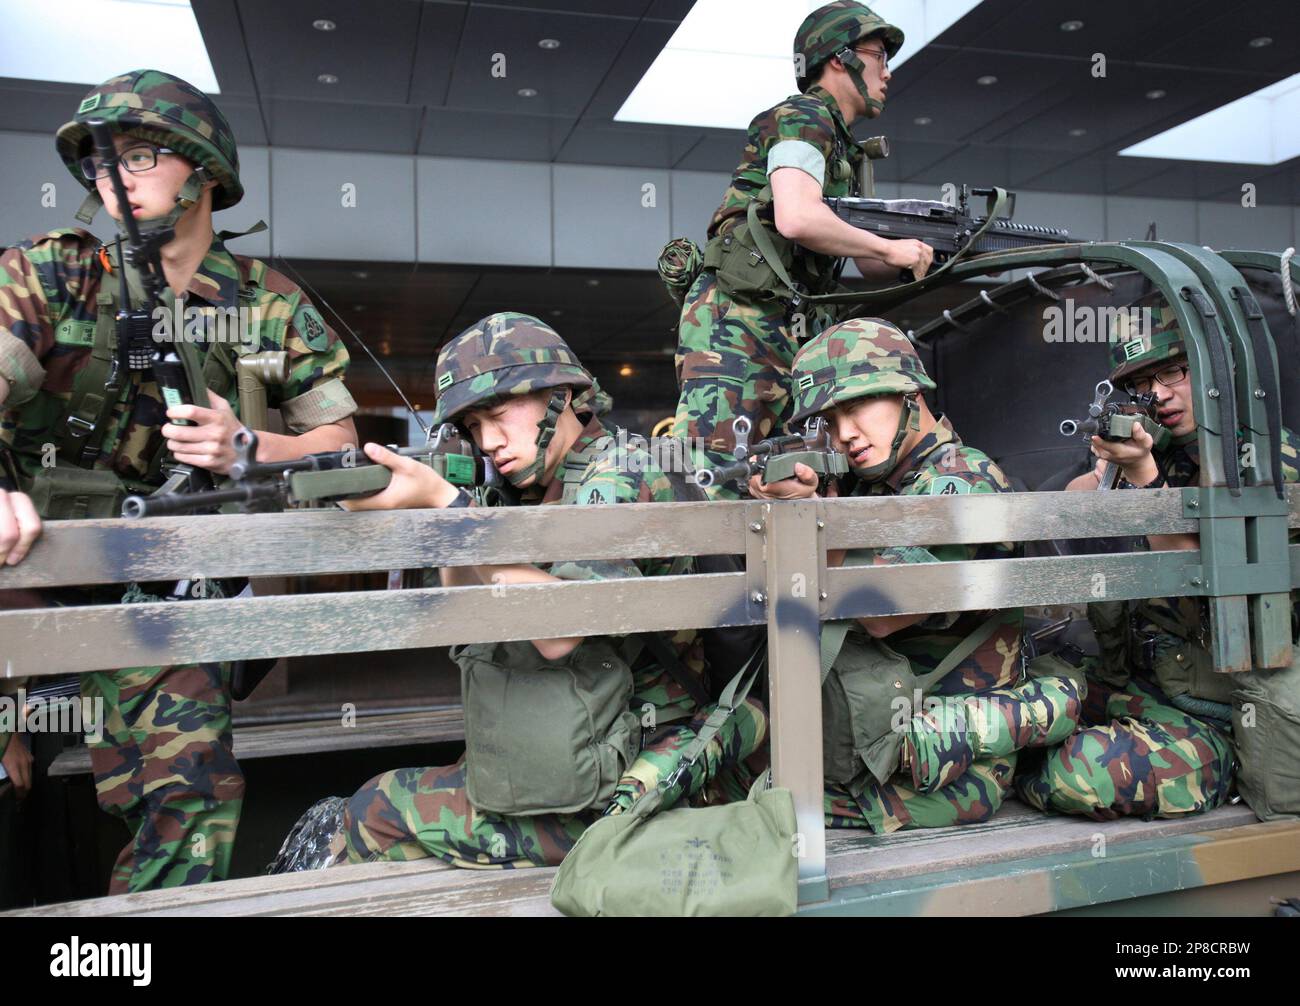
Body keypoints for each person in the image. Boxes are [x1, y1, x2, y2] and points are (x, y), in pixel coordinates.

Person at [0, 69, 359, 891]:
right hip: (28, 581)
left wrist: (249, 446)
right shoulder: (50, 278)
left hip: (164, 599)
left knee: (189, 798)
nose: (112, 179)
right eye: (99, 165)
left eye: (138, 157)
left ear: (202, 173)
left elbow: (340, 441)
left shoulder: (264, 304)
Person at [283, 313, 766, 869]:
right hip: (575, 745)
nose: (488, 442)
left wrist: (450, 507)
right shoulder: (535, 488)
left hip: (634, 772)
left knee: (374, 810)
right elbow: (467, 615)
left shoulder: (622, 474)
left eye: (497, 415)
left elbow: (560, 634)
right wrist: (445, 517)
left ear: (560, 397)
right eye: (471, 426)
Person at [749, 318, 1083, 832]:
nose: (844, 433)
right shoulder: (875, 485)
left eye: (857, 406)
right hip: (872, 738)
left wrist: (815, 519)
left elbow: (886, 611)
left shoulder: (961, 478)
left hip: (943, 766)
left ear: (908, 392)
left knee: (757, 809)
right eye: (831, 420)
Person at [1016, 290, 1300, 820]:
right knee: (1012, 707)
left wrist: (1145, 478)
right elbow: (1073, 509)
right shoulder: (1160, 447)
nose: (1160, 394)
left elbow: (1209, 596)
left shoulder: (1263, 460)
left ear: (1215, 369)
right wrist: (1110, 470)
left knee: (1081, 776)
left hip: (1224, 709)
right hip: (1140, 683)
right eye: (1143, 385)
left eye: (1173, 373)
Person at [671, 1, 935, 499]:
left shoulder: (844, 148)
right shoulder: (804, 115)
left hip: (781, 324)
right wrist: (892, 250)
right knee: (712, 474)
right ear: (840, 58)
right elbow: (797, 216)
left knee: (782, 472)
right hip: (741, 323)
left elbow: (862, 259)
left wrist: (914, 254)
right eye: (879, 54)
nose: (887, 72)